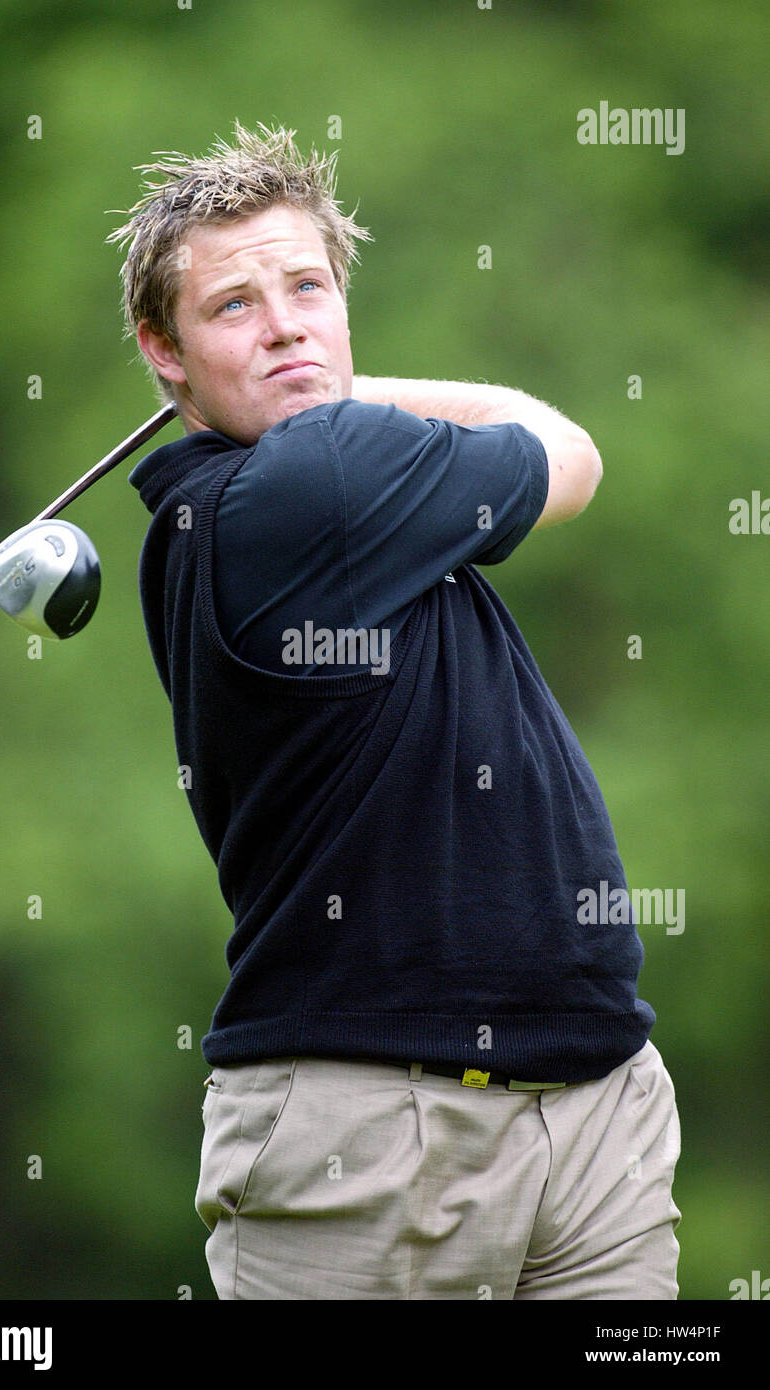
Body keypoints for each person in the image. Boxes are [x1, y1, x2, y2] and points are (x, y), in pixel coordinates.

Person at [108, 120, 682, 1300]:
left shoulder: (311, 476)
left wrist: (308, 386)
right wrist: (334, 390)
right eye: (233, 308)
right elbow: (565, 452)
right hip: (365, 1141)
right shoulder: (303, 488)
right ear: (161, 351)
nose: (283, 325)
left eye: (306, 287)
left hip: (591, 1104)